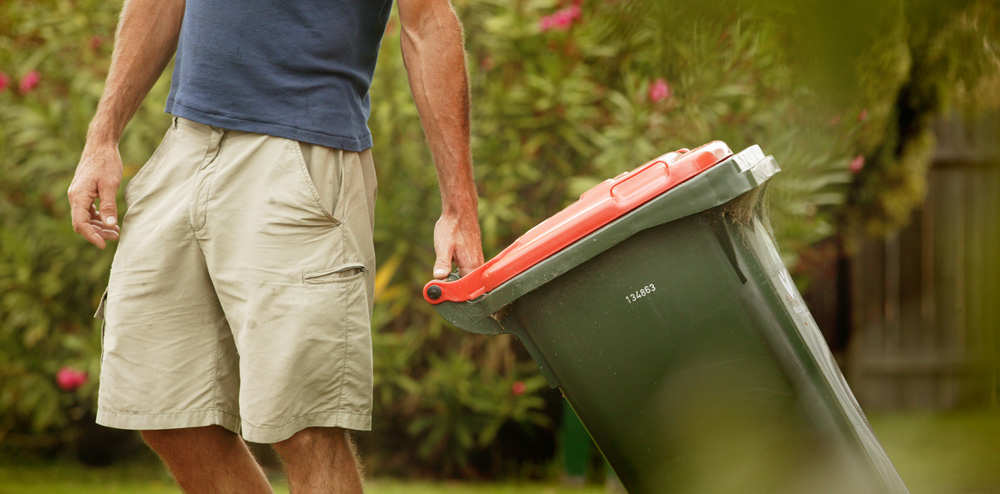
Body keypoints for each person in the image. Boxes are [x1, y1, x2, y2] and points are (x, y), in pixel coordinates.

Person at [66, 0, 484, 492]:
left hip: (301, 155)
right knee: (167, 412)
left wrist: (459, 206)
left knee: (306, 426)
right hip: (184, 146)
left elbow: (427, 24)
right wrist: (103, 137)